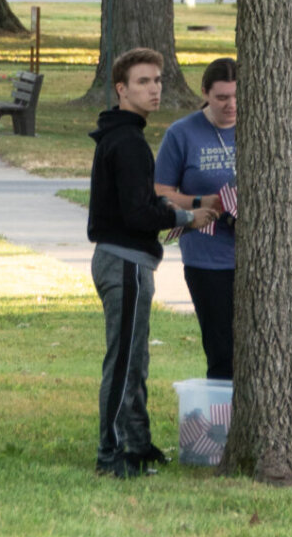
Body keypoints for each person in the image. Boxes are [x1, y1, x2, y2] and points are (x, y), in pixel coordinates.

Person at [87, 48, 219, 478]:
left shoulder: (128, 135)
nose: (155, 88)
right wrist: (187, 216)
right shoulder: (127, 143)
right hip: (123, 262)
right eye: (143, 82)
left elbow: (141, 204)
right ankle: (112, 454)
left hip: (131, 262)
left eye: (158, 80)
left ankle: (138, 443)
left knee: (136, 358)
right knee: (124, 360)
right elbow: (138, 214)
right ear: (121, 89)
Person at [155, 57, 237, 380]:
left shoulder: (260, 127)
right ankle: (224, 425)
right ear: (204, 92)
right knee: (222, 353)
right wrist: (203, 202)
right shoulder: (182, 134)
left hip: (256, 259)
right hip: (208, 261)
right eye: (221, 98)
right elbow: (161, 191)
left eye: (236, 96)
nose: (231, 105)